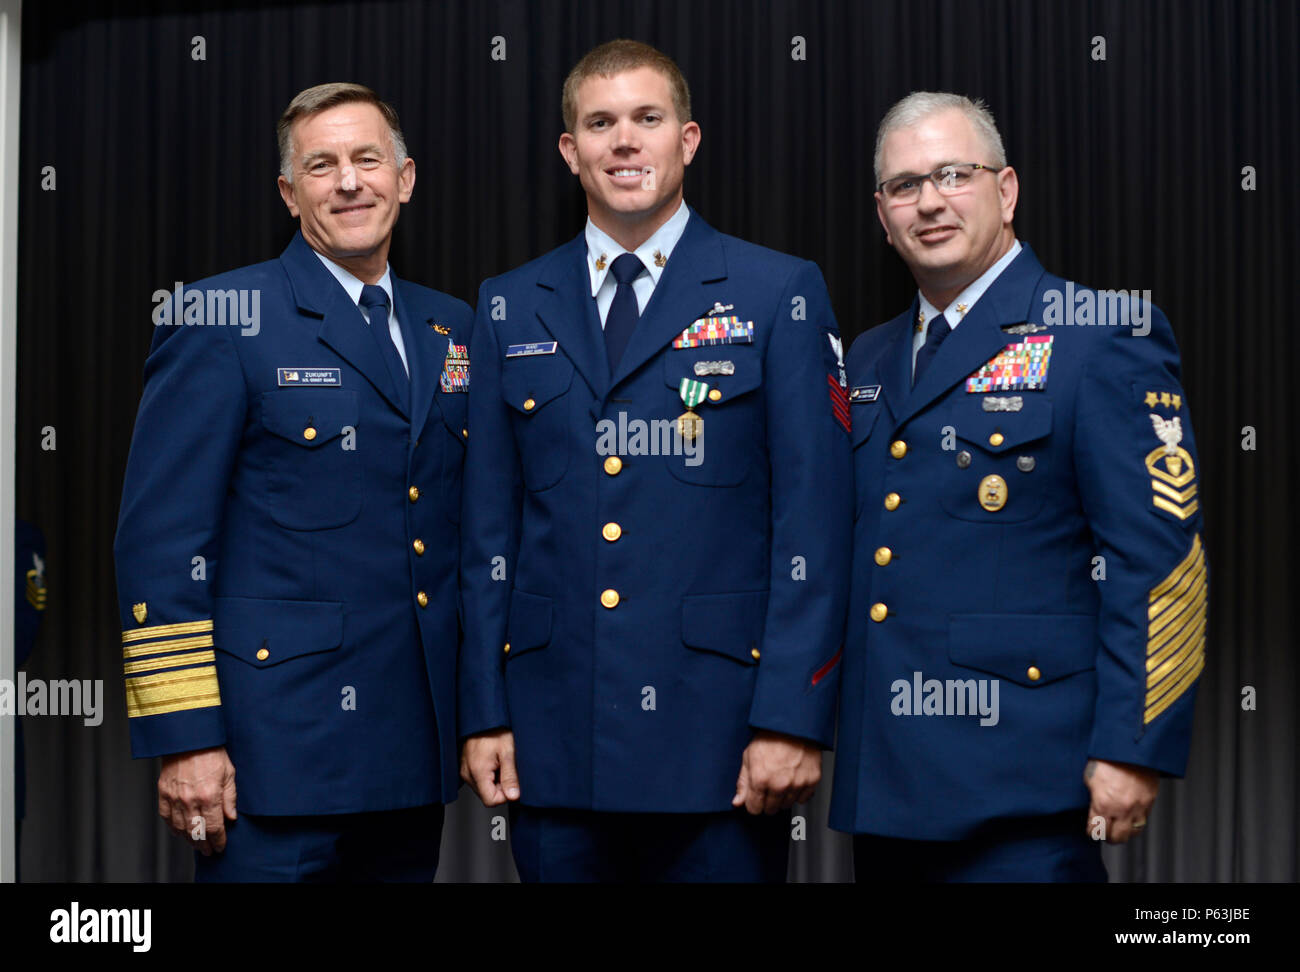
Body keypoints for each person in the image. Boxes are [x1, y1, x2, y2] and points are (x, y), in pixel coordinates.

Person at [458, 39, 852, 882]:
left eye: (647, 118)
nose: (624, 141)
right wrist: (483, 714)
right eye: (600, 124)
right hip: (553, 743)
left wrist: (791, 718)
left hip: (718, 748)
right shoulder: (506, 304)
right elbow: (486, 533)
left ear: (689, 138)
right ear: (571, 152)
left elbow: (813, 524)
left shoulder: (774, 290)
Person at [831, 91, 1206, 881]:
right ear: (882, 213)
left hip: (1027, 793)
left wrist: (1131, 746)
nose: (929, 201)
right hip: (888, 793)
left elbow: (1160, 563)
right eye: (904, 186)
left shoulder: (1099, 333)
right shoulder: (864, 360)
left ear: (1006, 191)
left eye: (953, 174)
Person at [114, 83, 471, 881]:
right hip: (270, 765)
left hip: (410, 759)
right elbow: (161, 546)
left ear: (405, 178)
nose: (349, 182)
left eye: (367, 159)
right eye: (322, 165)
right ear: (289, 192)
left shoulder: (454, 327)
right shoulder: (222, 318)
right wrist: (185, 736)